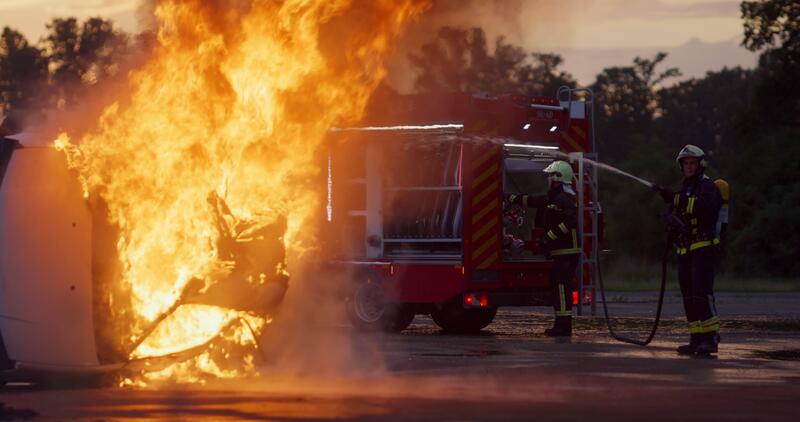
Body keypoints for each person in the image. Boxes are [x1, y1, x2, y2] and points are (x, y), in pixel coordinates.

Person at [653, 145, 723, 355]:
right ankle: (696, 338)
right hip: (684, 249)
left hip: (702, 247)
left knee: (702, 294)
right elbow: (677, 209)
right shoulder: (684, 188)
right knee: (688, 296)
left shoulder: (708, 186)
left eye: (692, 163)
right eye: (685, 164)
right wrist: (671, 218)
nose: (689, 167)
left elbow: (704, 208)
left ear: (700, 165)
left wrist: (674, 198)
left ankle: (710, 339)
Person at [507, 160, 581, 337]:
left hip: (566, 252)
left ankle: (563, 327)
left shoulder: (563, 198)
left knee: (562, 289)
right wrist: (511, 198)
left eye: (550, 176)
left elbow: (570, 221)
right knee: (559, 288)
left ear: (557, 178)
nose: (547, 179)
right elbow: (535, 201)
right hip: (561, 252)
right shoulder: (555, 196)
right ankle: (561, 325)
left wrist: (549, 237)